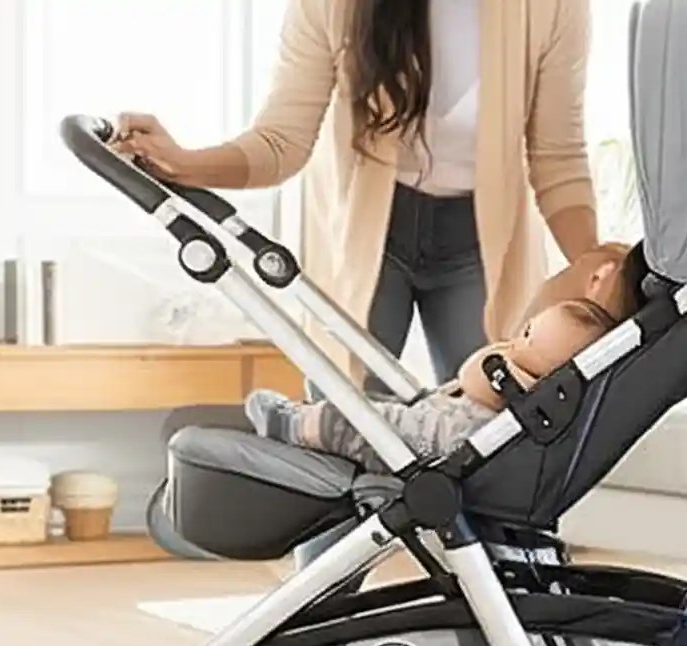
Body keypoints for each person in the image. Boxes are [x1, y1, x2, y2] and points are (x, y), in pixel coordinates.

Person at [110, 0, 603, 392]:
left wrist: (599, 274)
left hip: (482, 241)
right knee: (350, 425)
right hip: (365, 236)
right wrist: (183, 163)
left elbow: (557, 158)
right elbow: (280, 144)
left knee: (494, 423)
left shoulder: (552, 7)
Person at [244, 298, 618, 473]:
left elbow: (472, 375)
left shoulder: (518, 386)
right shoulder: (540, 393)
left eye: (530, 336)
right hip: (442, 421)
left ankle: (295, 424)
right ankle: (325, 410)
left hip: (439, 442)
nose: (520, 337)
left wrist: (502, 353)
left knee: (369, 424)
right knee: (381, 408)